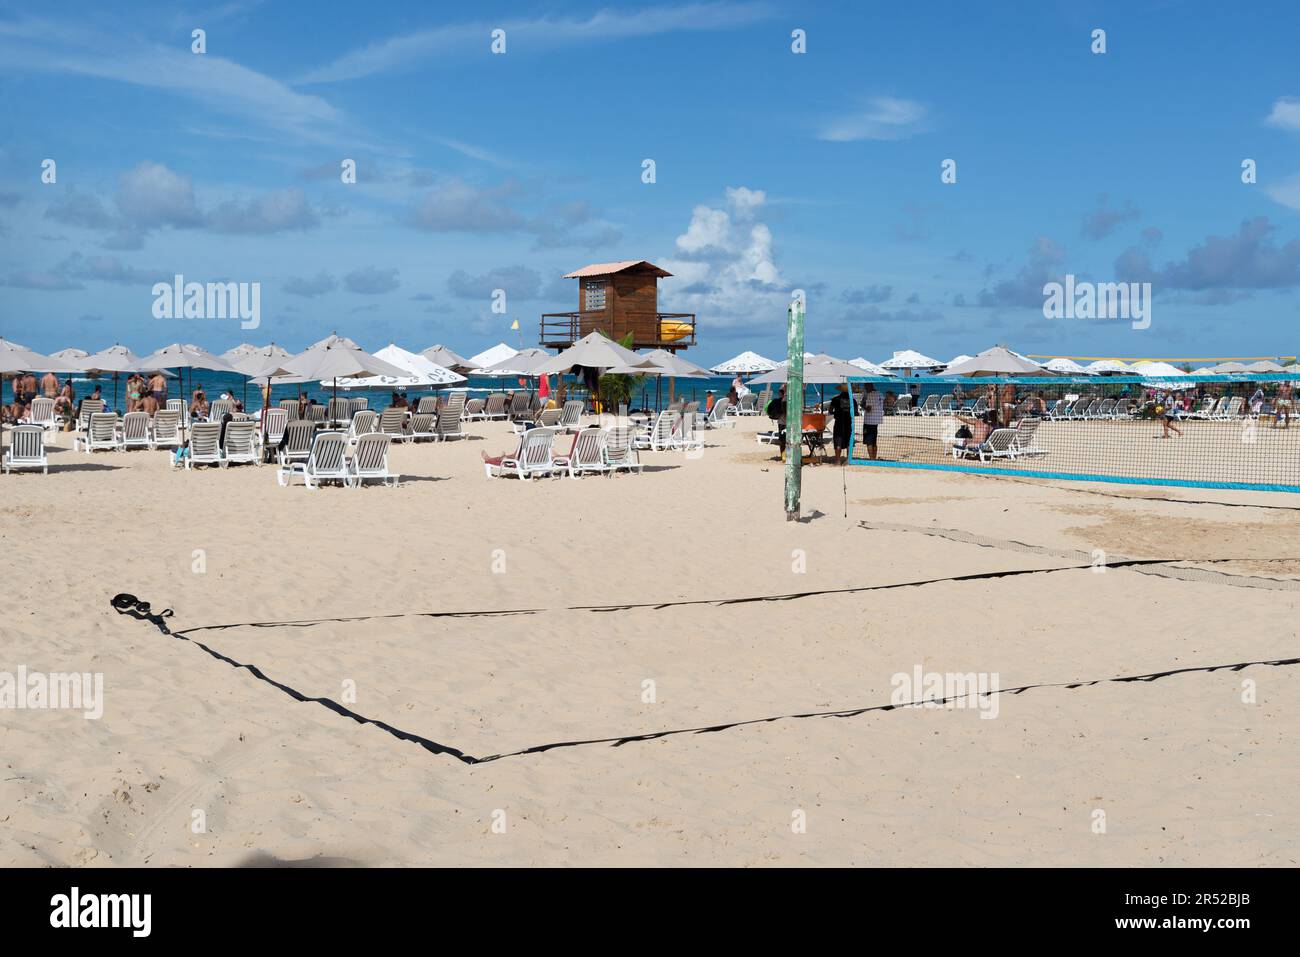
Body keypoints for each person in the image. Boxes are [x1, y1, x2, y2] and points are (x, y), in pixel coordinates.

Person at [827, 382, 853, 465]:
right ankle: (848, 460)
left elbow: (830, 410)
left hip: (838, 422)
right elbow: (855, 411)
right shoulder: (852, 400)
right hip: (849, 422)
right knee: (849, 441)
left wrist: (836, 411)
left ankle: (838, 461)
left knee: (838, 441)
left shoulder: (835, 399)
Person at [860, 382, 884, 460]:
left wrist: (863, 405)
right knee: (874, 441)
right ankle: (874, 458)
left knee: (869, 442)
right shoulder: (880, 394)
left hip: (869, 421)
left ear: (869, 386)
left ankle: (871, 459)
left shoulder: (869, 395)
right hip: (876, 421)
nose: (865, 389)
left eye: (866, 387)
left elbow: (869, 409)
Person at [767, 384, 788, 460]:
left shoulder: (783, 400)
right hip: (785, 423)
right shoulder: (786, 400)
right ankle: (784, 456)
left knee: (782, 440)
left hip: (782, 423)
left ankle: (783, 456)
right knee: (784, 440)